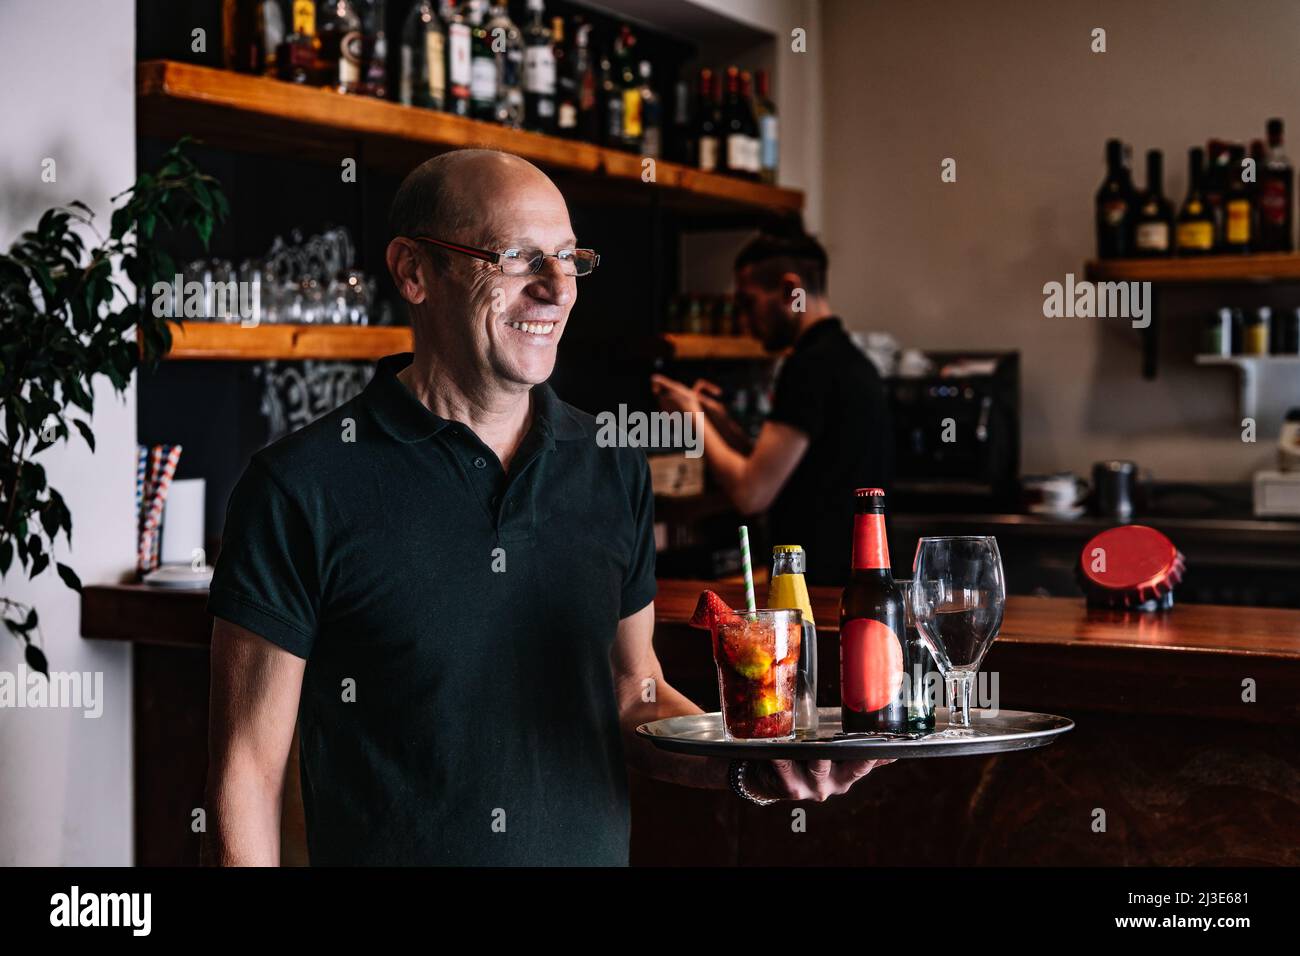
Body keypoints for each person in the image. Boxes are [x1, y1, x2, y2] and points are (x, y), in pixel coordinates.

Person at [202, 149, 889, 866]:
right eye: (516, 257)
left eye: (568, 259)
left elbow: (632, 694)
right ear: (413, 271)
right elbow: (246, 775)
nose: (556, 288)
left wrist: (757, 765)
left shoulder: (611, 465)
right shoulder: (300, 486)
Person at [651, 227, 893, 586]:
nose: (747, 323)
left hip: (820, 588)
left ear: (790, 290)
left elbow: (752, 493)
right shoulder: (848, 359)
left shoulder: (810, 366)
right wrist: (722, 423)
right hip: (852, 580)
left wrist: (693, 415)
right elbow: (784, 469)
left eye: (749, 303)